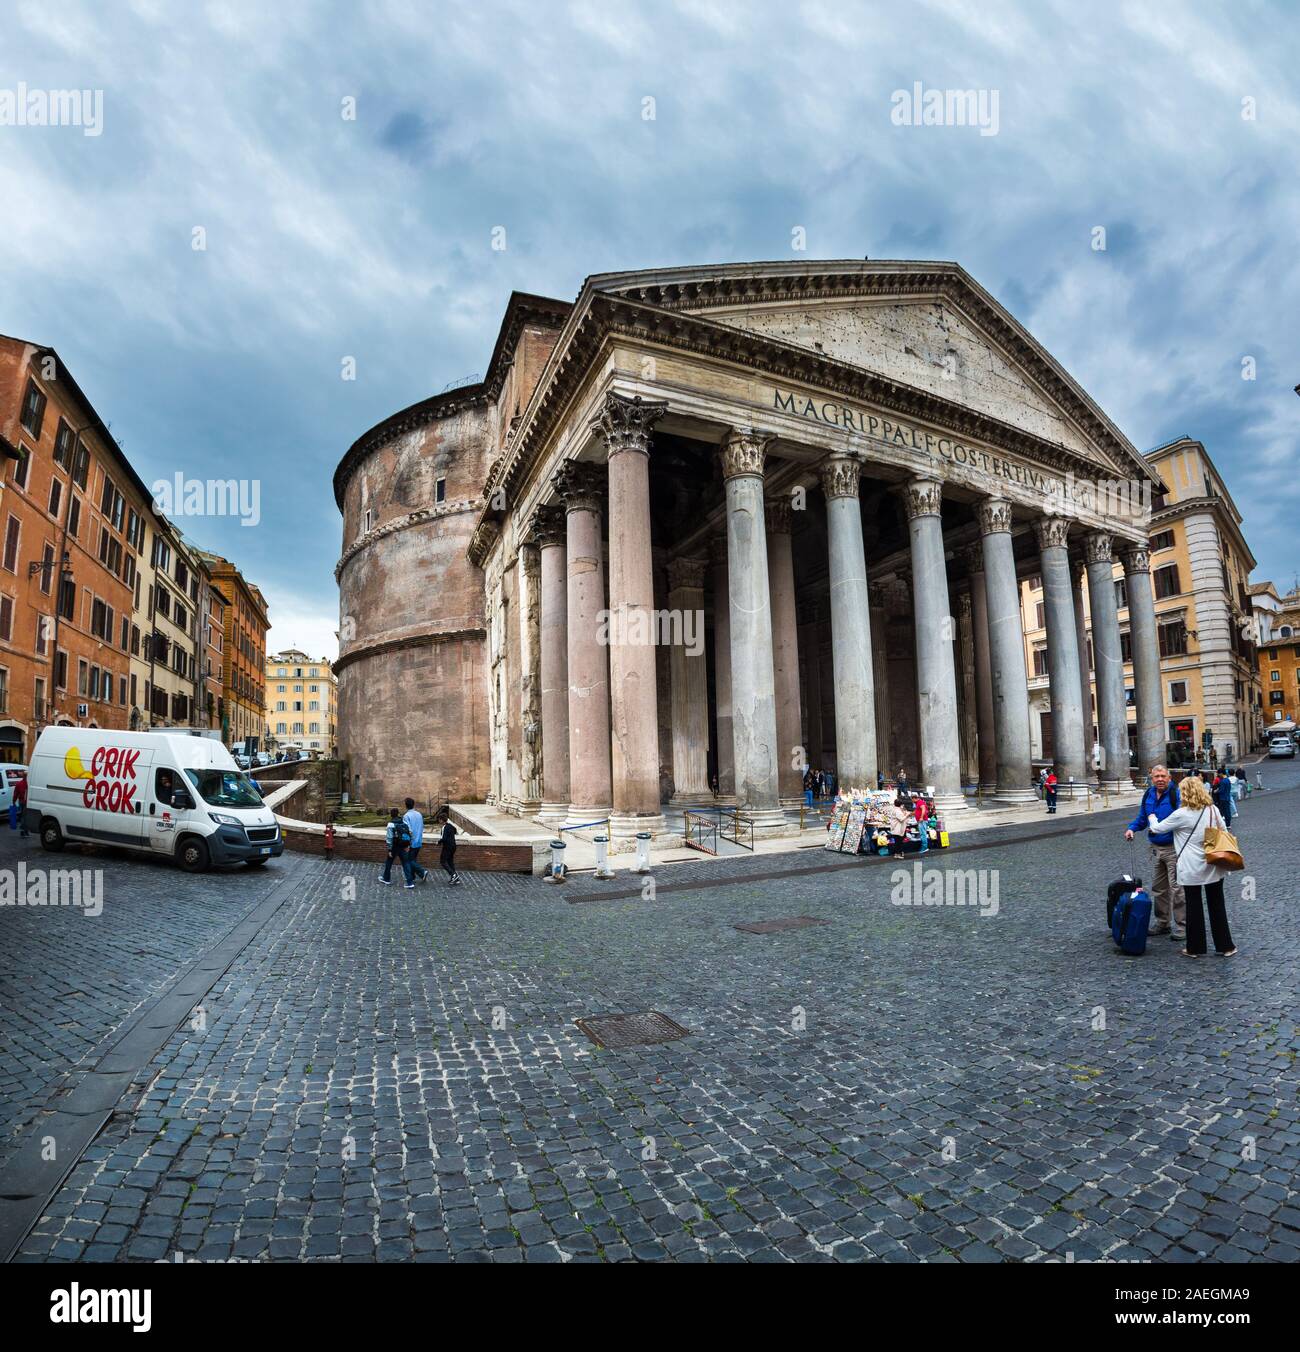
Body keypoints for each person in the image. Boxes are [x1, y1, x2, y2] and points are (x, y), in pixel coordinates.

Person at [1151, 775, 1236, 958]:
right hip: (1213, 863)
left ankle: (1195, 948)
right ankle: (1226, 946)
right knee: (1217, 905)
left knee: (1194, 907)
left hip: (1191, 867)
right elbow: (1224, 831)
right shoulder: (1212, 809)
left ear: (1185, 793)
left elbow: (1158, 829)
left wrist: (1151, 818)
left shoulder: (1181, 814)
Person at [1125, 763, 1184, 940]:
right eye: (1156, 777)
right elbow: (1143, 818)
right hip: (1156, 849)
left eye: (1163, 776)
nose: (1159, 779)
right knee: (1159, 888)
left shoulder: (1176, 795)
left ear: (1169, 778)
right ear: (1151, 779)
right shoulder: (1148, 794)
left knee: (1177, 889)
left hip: (1174, 848)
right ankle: (1162, 923)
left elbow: (1183, 820)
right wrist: (1132, 829)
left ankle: (1182, 926)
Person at [379, 809, 415, 887]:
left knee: (389, 862)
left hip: (394, 847)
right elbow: (410, 833)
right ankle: (410, 883)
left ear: (391, 815)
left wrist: (389, 850)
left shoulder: (390, 825)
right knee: (406, 863)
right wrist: (408, 845)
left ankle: (386, 879)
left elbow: (389, 838)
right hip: (404, 846)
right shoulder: (404, 822)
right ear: (398, 814)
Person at [403, 797, 430, 882]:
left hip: (411, 842)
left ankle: (422, 871)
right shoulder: (419, 814)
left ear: (406, 806)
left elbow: (408, 831)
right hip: (419, 841)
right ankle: (413, 876)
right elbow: (422, 827)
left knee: (408, 860)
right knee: (413, 859)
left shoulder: (406, 816)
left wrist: (406, 844)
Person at [437, 809, 461, 884]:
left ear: (441, 820)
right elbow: (455, 830)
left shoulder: (444, 827)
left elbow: (443, 838)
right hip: (453, 846)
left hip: (447, 847)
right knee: (450, 861)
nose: (438, 821)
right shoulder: (450, 826)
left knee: (443, 861)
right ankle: (455, 878)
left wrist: (439, 842)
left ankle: (453, 874)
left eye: (439, 820)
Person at [13, 772, 28, 837]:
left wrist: (13, 801)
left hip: (21, 801)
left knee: (23, 816)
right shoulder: (28, 784)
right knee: (25, 817)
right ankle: (24, 831)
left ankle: (25, 831)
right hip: (26, 802)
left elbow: (16, 793)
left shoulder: (19, 783)